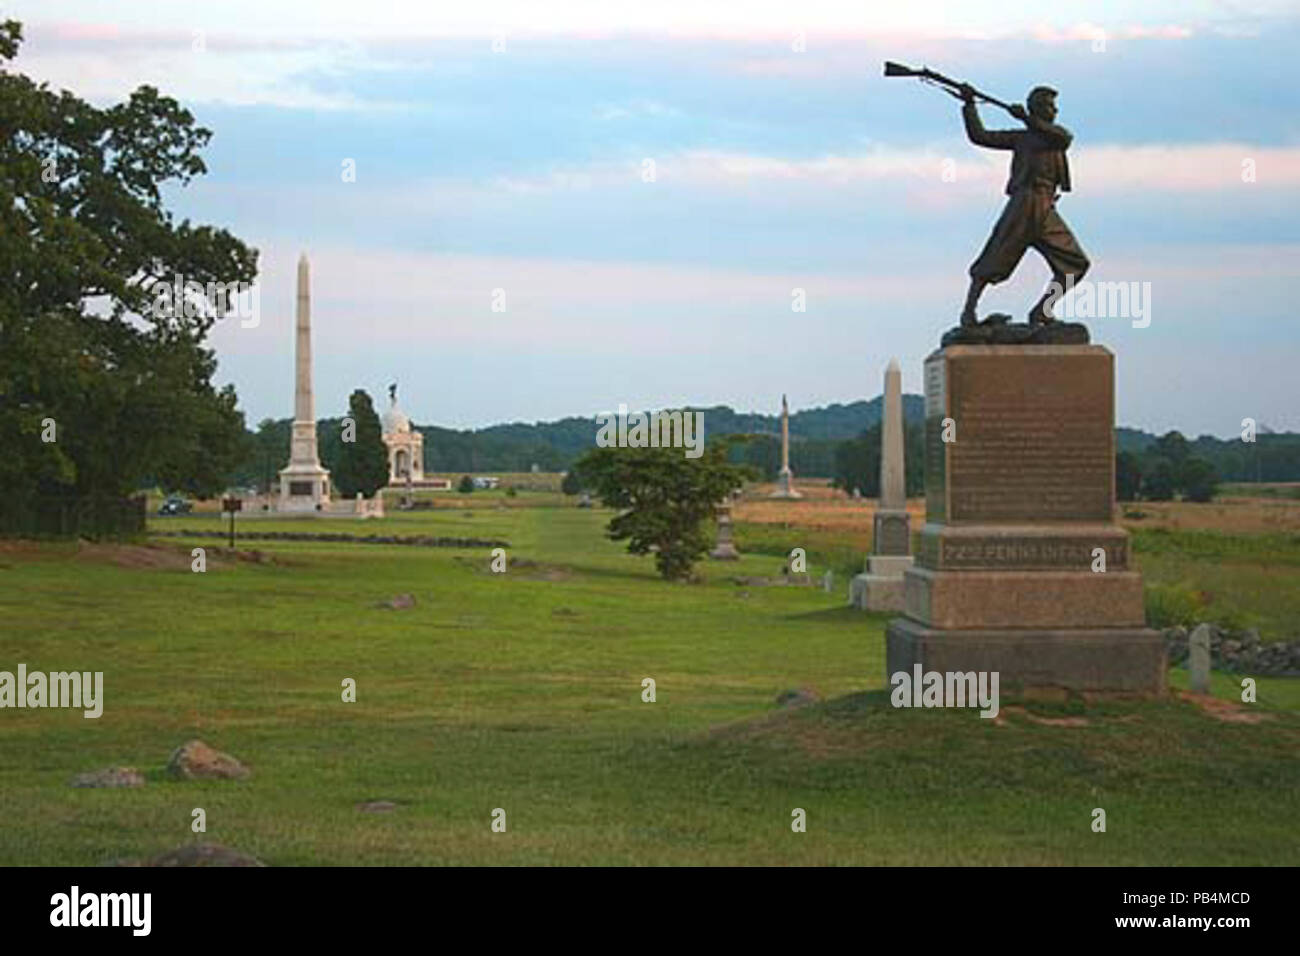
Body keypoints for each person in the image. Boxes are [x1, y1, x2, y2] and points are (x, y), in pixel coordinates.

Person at [957, 83, 1089, 326]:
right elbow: (981, 136)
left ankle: (1043, 311)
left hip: (1046, 206)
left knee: (1076, 264)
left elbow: (1063, 138)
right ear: (1039, 108)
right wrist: (969, 105)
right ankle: (968, 312)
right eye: (1050, 106)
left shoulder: (1054, 136)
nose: (1055, 111)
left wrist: (1026, 119)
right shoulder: (1023, 138)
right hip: (1025, 202)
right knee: (994, 257)